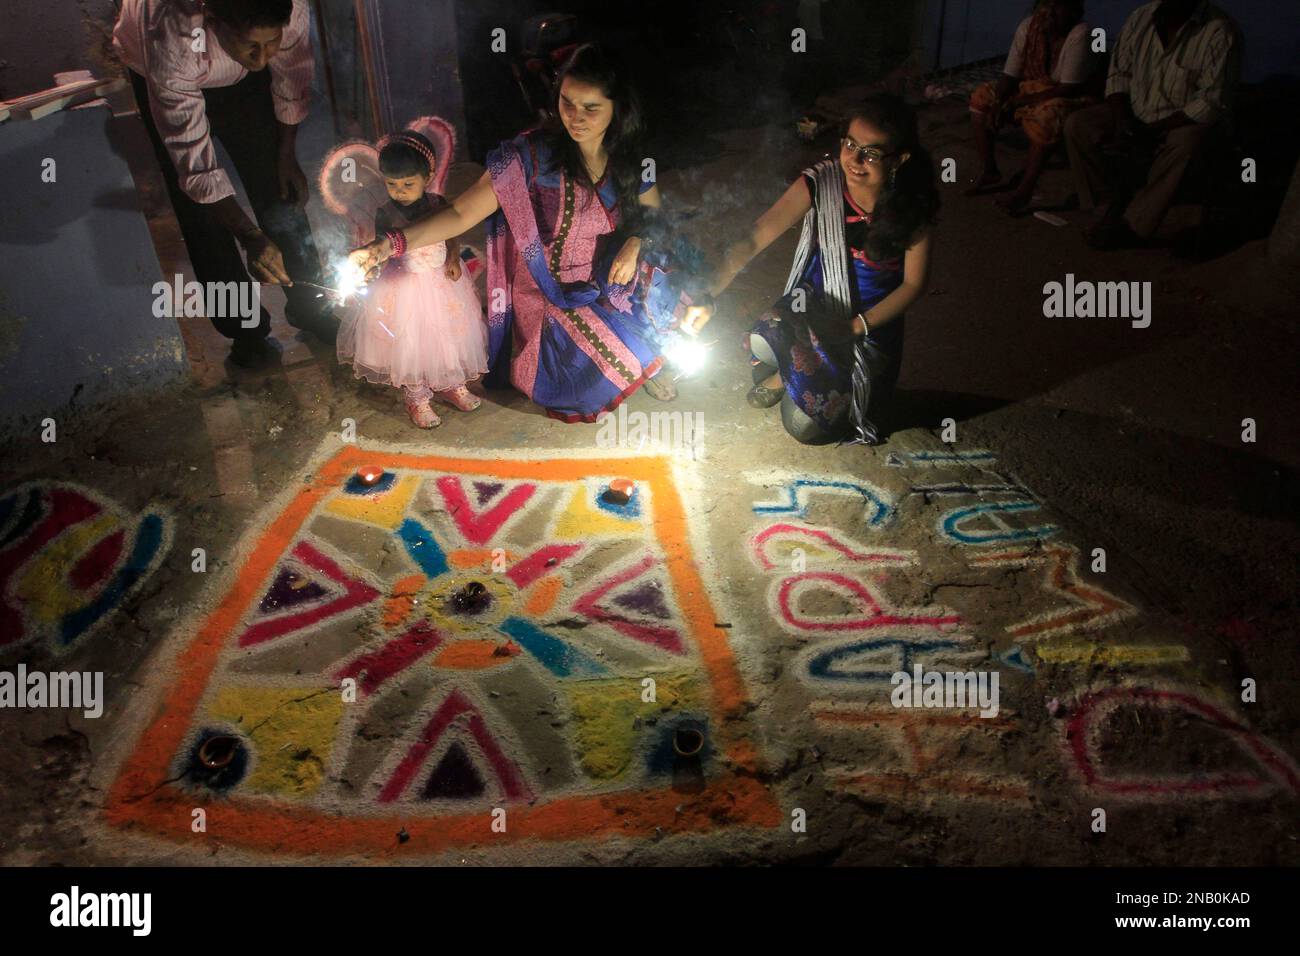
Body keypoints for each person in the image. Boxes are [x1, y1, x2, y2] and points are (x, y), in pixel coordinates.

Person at [348, 44, 690, 423]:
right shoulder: (530, 156)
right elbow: (461, 213)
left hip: (608, 275)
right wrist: (386, 245)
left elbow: (655, 217)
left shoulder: (633, 160)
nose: (575, 117)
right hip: (550, 290)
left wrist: (635, 241)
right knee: (588, 381)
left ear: (618, 108)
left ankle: (643, 361)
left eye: (591, 108)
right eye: (567, 102)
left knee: (665, 279)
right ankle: (639, 362)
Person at [684, 95, 938, 445]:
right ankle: (796, 373)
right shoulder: (822, 184)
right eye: (850, 144)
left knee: (802, 427)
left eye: (872, 153)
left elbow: (913, 285)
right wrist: (707, 294)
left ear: (900, 158)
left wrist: (853, 327)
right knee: (761, 342)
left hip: (868, 329)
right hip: (816, 310)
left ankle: (795, 377)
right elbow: (755, 236)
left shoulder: (915, 207)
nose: (856, 160)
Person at [113, 0, 337, 367]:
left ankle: (313, 305)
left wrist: (284, 154)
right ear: (214, 22)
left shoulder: (290, 7)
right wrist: (250, 236)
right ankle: (244, 331)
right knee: (202, 214)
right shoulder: (173, 37)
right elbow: (197, 169)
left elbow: (291, 75)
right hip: (159, 67)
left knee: (279, 192)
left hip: (236, 79)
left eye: (272, 43)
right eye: (252, 46)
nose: (263, 58)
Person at [322, 120, 487, 429]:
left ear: (427, 177)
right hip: (405, 287)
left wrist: (452, 258)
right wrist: (370, 269)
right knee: (412, 342)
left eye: (408, 184)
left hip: (441, 282)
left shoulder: (438, 204)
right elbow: (383, 249)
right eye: (391, 184)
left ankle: (450, 384)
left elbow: (451, 232)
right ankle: (418, 396)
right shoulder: (387, 211)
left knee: (448, 335)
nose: (399, 192)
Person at [1063, 0, 1240, 250]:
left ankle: (1133, 224)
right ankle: (1105, 205)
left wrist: (1151, 130)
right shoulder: (1141, 18)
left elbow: (1211, 102)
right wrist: (1125, 120)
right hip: (1136, 112)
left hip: (1181, 121)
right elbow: (1118, 76)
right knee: (1078, 124)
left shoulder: (1220, 31)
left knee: (1187, 145)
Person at [967, 0, 1095, 213]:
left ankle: (1024, 191)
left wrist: (1017, 102)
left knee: (1047, 116)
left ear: (1073, 11)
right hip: (1031, 88)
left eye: (1057, 8)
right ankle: (990, 170)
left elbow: (1068, 88)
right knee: (981, 98)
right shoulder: (1029, 27)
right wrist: (999, 101)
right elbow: (1010, 75)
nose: (1049, 14)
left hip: (1071, 96)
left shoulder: (1081, 33)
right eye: (1046, 8)